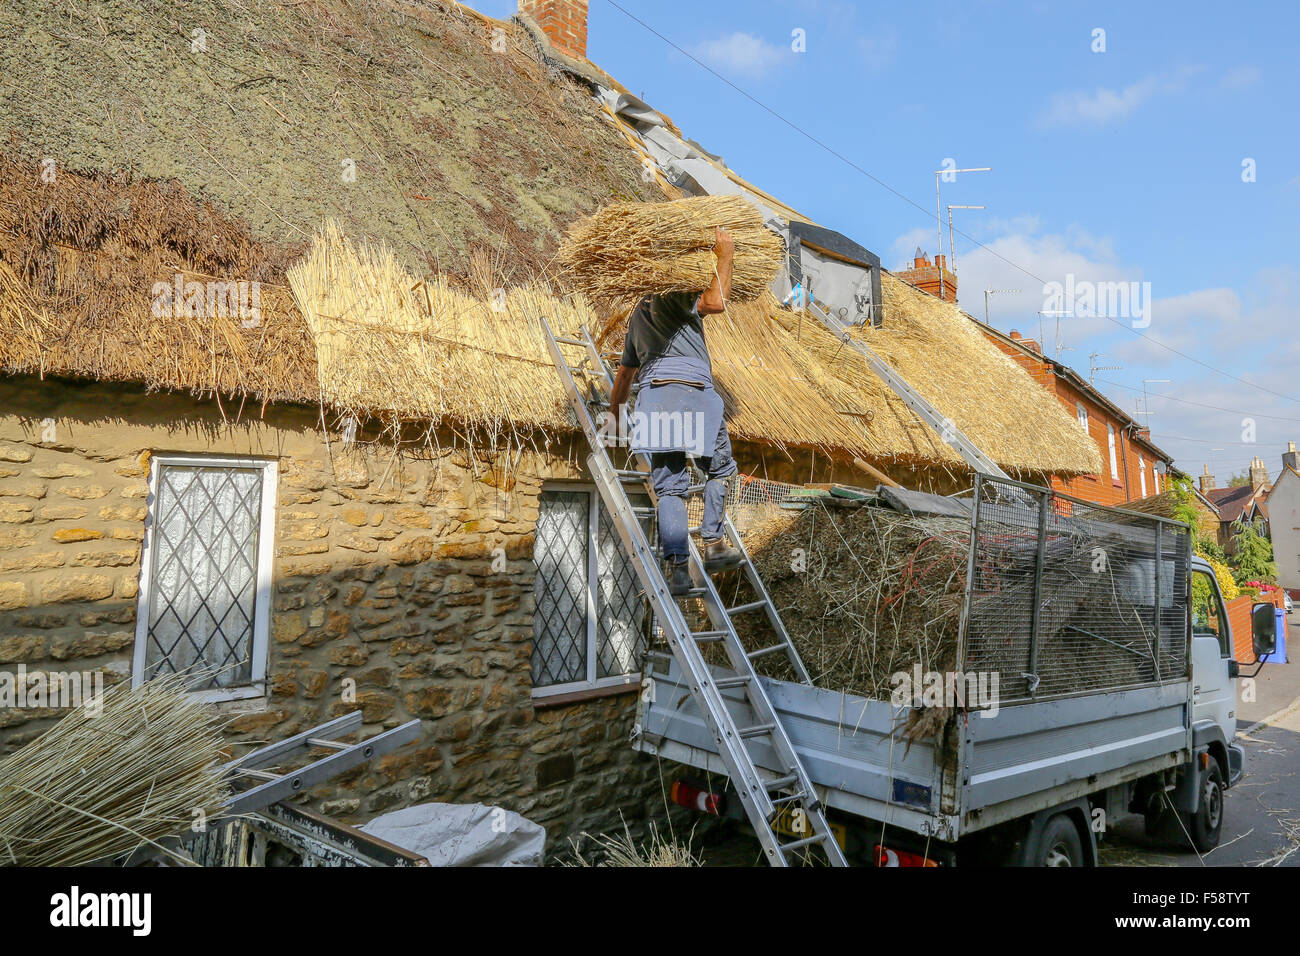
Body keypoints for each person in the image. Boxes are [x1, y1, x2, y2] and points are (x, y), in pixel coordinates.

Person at [609, 226, 743, 596]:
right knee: (720, 469)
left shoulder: (638, 317)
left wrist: (615, 417)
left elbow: (623, 377)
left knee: (670, 488)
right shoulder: (676, 293)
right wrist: (725, 256)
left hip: (654, 399)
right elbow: (716, 302)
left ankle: (678, 569)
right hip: (693, 394)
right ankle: (714, 543)